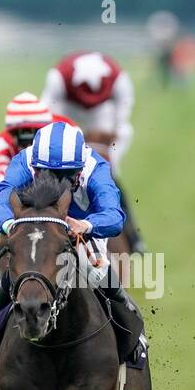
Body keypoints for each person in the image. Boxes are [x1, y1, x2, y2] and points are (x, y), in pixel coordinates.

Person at [0, 120, 142, 371]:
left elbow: (114, 217)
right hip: (38, 227)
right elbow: (0, 200)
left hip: (82, 228)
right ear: (36, 167)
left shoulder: (96, 167)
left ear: (80, 167)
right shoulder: (24, 161)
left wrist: (87, 225)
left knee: (95, 269)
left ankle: (129, 328)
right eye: (51, 174)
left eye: (67, 175)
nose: (59, 182)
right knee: (21, 263)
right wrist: (10, 225)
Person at [42, 51, 147, 253]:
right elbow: (46, 122)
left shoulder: (120, 81)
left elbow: (122, 128)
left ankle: (132, 235)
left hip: (102, 113)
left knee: (109, 177)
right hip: (66, 108)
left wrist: (107, 165)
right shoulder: (57, 78)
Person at [0, 92, 55, 192]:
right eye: (21, 134)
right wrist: (8, 191)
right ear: (12, 134)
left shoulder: (66, 134)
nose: (29, 145)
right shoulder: (4, 142)